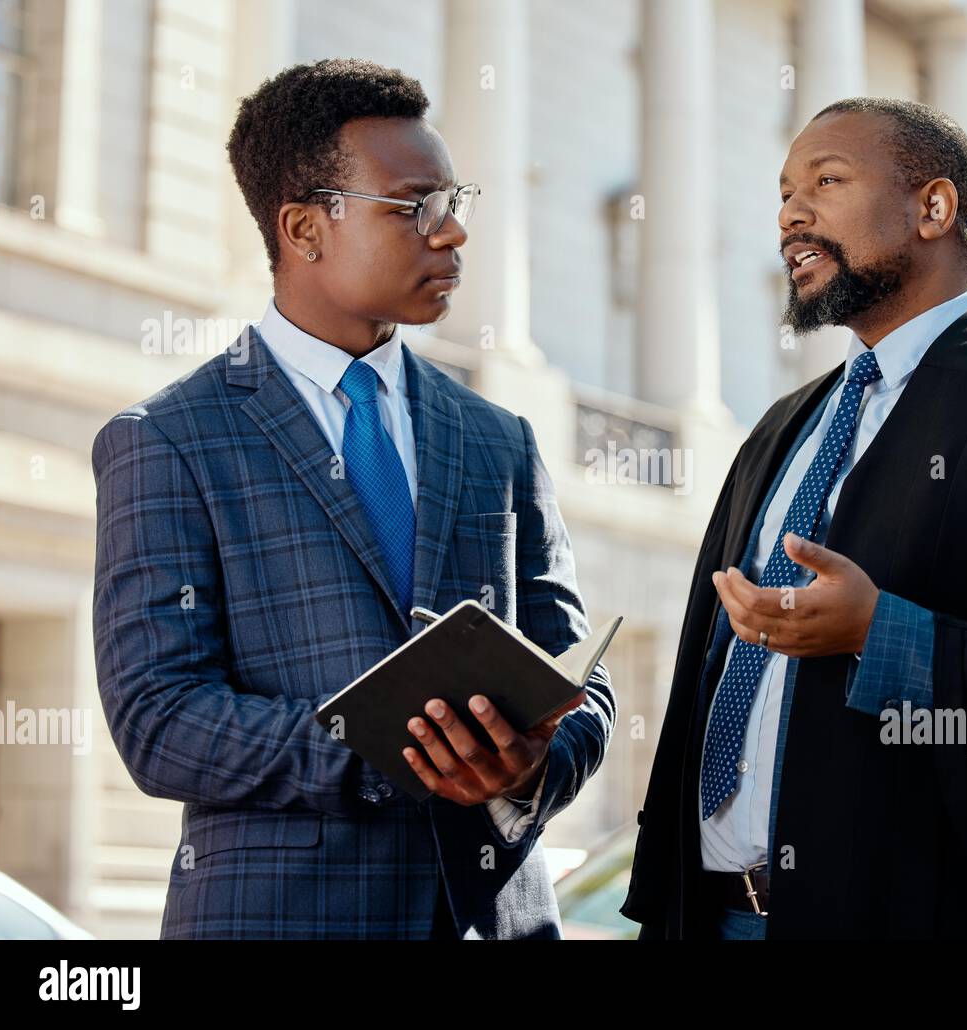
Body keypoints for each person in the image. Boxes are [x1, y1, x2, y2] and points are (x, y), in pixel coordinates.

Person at [622, 97, 967, 939]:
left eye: (826, 180)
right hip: (713, 917)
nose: (790, 214)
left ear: (934, 207)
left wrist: (881, 635)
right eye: (783, 191)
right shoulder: (785, 428)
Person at [92, 58, 614, 939]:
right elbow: (159, 719)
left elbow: (577, 678)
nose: (451, 235)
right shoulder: (168, 441)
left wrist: (526, 767)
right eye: (416, 207)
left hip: (496, 921)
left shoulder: (499, 439)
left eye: (456, 203)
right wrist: (393, 753)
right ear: (304, 228)